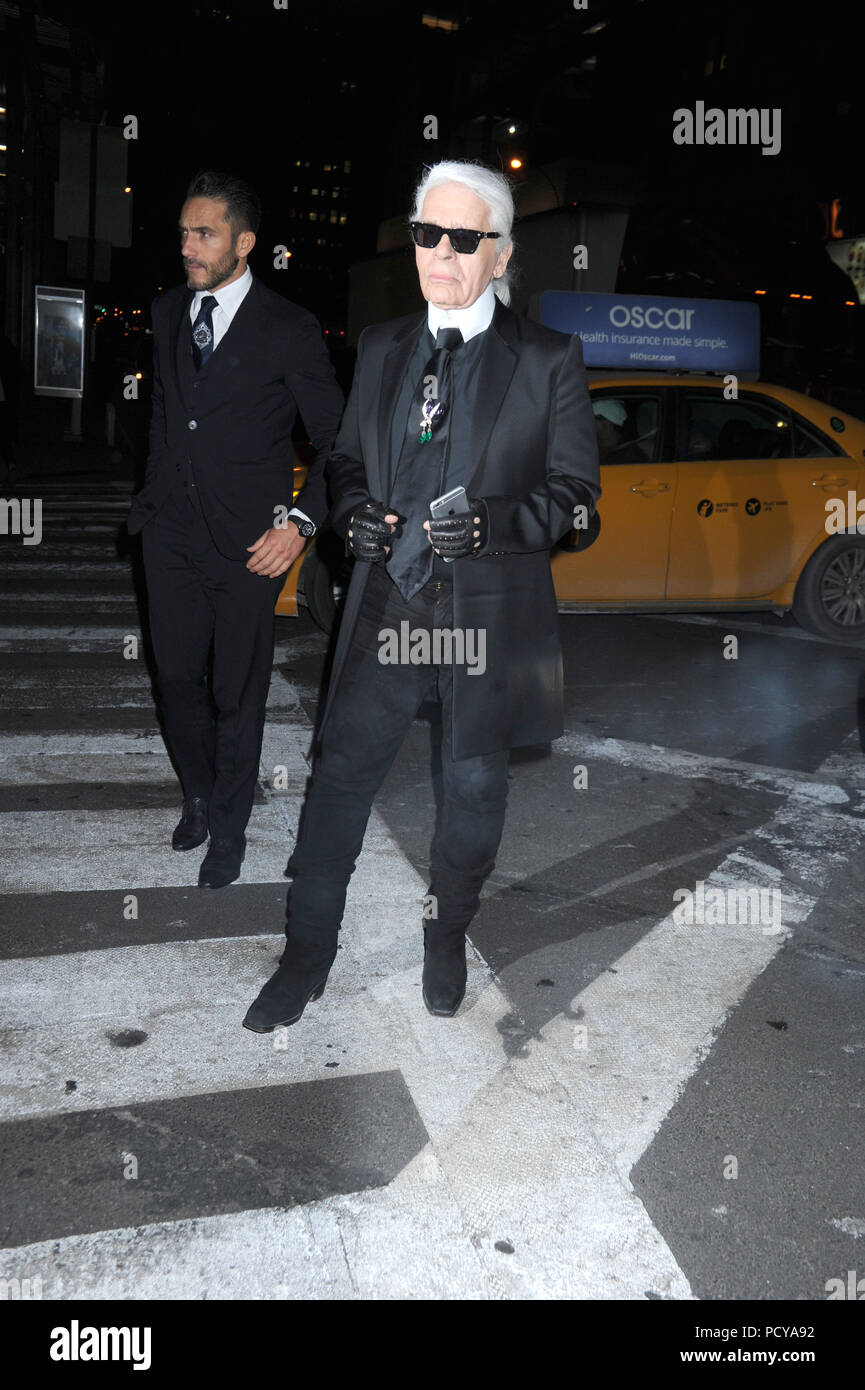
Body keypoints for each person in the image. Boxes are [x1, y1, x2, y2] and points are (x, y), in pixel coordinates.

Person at [243, 158, 601, 1033]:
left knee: (472, 802)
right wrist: (355, 515)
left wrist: (493, 524)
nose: (439, 253)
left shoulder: (549, 359)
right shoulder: (381, 346)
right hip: (385, 613)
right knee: (336, 791)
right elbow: (346, 460)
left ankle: (447, 937)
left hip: (481, 625)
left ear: (500, 252)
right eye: (424, 233)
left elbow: (578, 503)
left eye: (461, 238)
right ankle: (305, 958)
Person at [127, 171, 344, 888]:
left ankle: (229, 826)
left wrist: (302, 524)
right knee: (177, 680)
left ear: (244, 244)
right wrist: (151, 503)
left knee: (236, 692)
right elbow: (166, 419)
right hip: (170, 537)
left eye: (204, 234)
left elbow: (338, 441)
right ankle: (196, 794)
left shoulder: (289, 328)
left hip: (252, 544)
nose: (187, 246)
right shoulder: (165, 313)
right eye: (184, 232)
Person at [592, 398, 649, 463]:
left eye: (593, 419)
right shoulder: (595, 448)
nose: (588, 423)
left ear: (608, 425)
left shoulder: (629, 457)